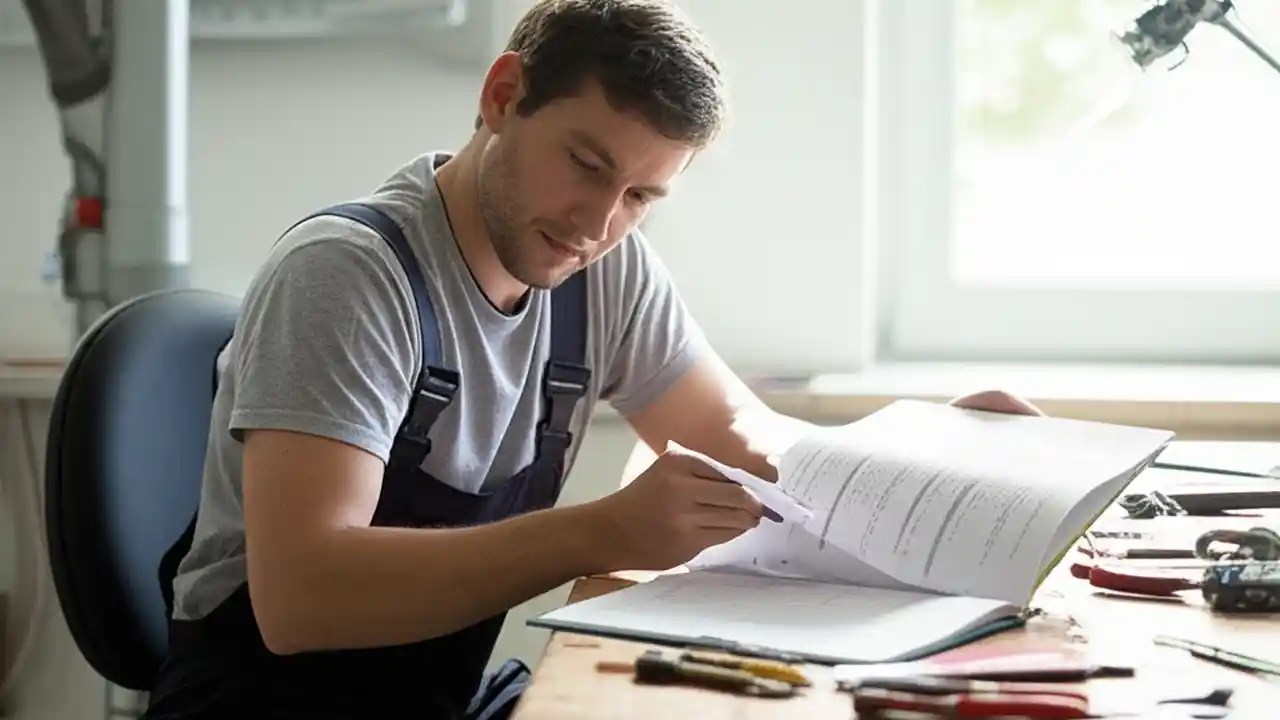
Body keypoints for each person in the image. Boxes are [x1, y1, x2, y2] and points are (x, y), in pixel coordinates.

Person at [143, 1, 1039, 718]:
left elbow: (737, 433)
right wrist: (604, 531)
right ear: (502, 96)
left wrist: (936, 461)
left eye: (642, 195)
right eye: (584, 162)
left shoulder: (598, 269)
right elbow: (306, 600)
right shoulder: (348, 274)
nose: (598, 223)